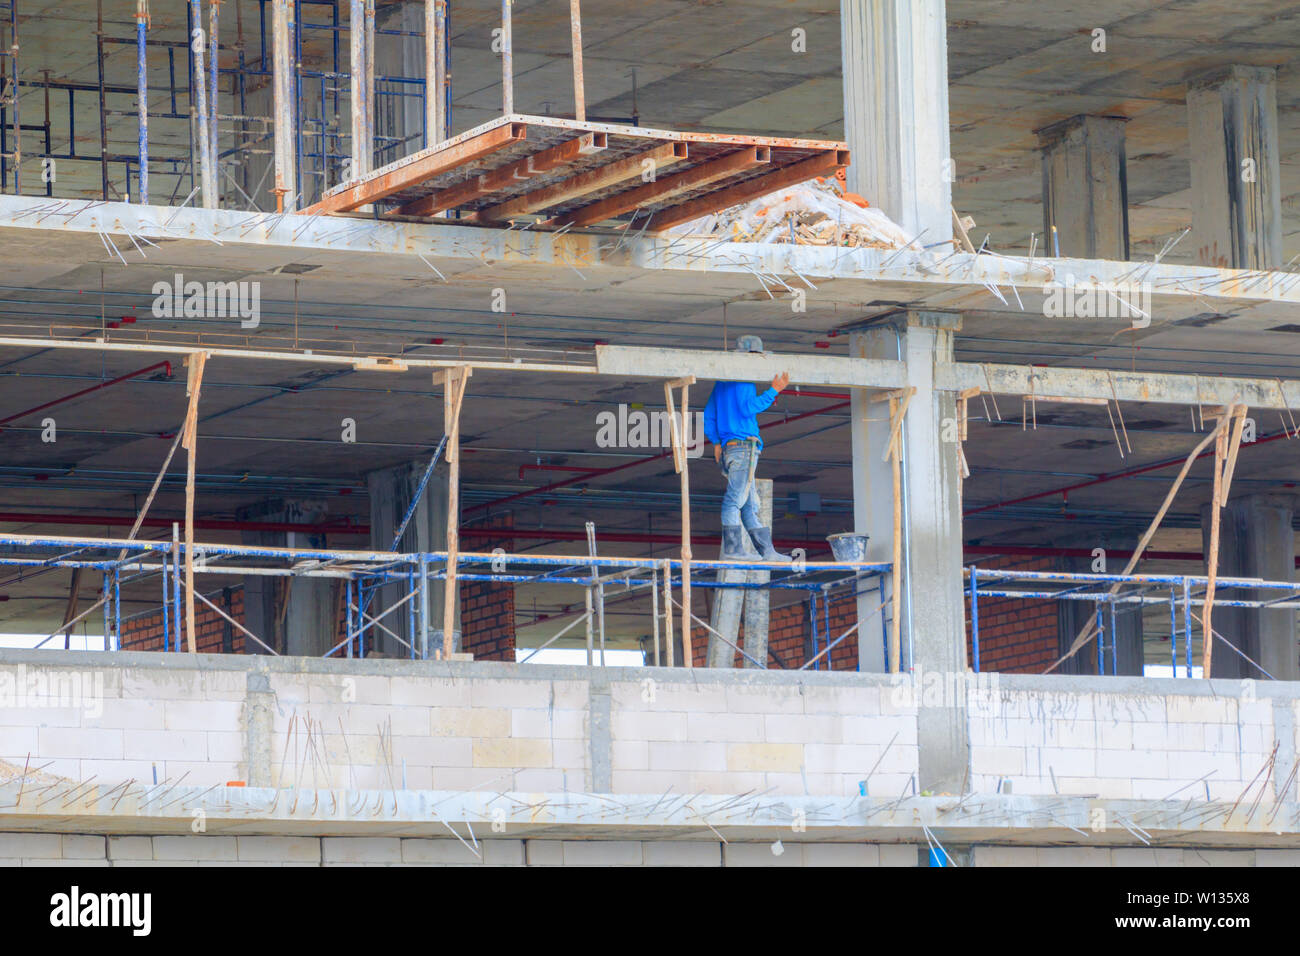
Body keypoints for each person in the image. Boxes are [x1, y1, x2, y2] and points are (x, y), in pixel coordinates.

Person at [702, 334, 791, 561]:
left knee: (749, 505)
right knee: (735, 500)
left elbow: (709, 414)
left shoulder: (721, 383)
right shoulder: (744, 381)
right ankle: (733, 549)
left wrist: (715, 442)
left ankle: (767, 552)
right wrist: (774, 390)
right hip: (744, 446)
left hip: (730, 448)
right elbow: (747, 408)